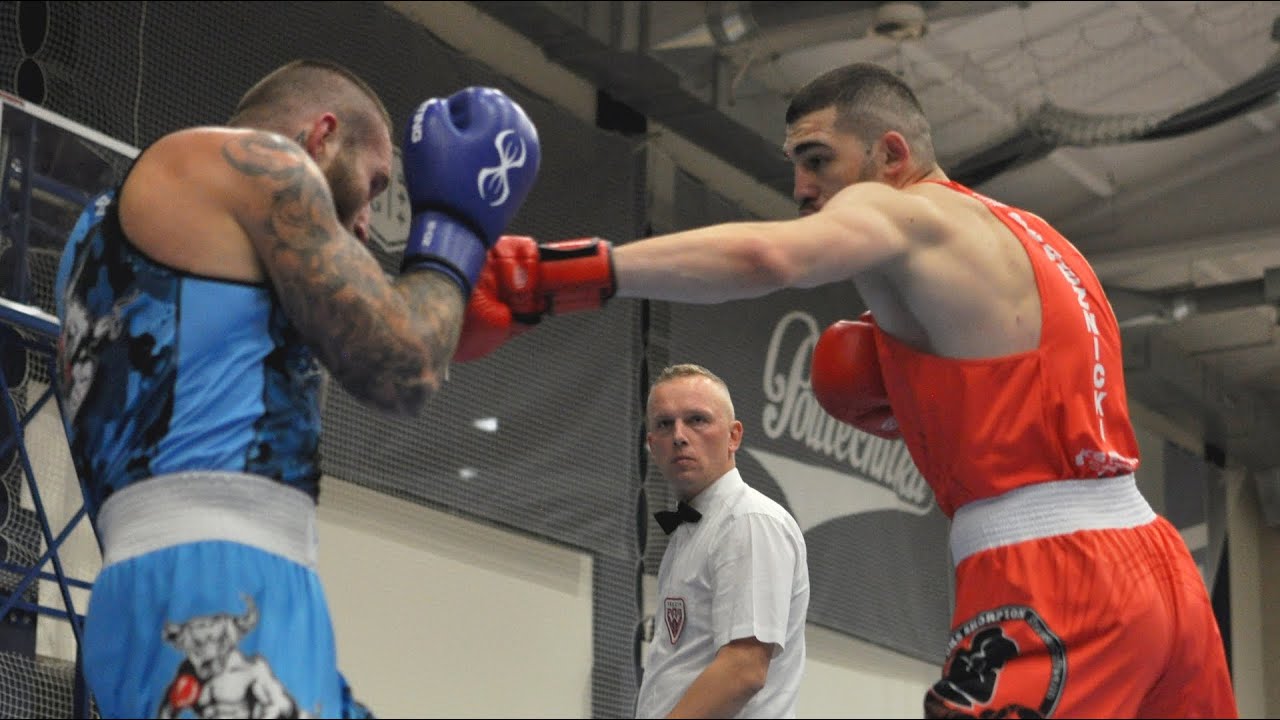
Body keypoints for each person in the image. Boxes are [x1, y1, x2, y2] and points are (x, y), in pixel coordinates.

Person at [455, 62, 1238, 718]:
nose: (800, 187)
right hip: (1159, 569)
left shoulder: (899, 210)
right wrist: (920, 398)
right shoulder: (1034, 236)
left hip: (1055, 574)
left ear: (890, 152)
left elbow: (769, 258)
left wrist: (553, 278)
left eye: (818, 159)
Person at [52, 58, 540, 718]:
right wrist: (452, 239)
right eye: (372, 185)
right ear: (322, 137)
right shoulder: (260, 165)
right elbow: (403, 367)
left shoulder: (115, 231)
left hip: (189, 584)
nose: (367, 221)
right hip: (215, 584)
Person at [637, 363, 809, 719]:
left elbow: (743, 669)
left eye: (697, 420)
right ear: (652, 445)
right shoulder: (691, 533)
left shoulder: (749, 522)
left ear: (734, 436)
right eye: (665, 424)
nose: (680, 436)